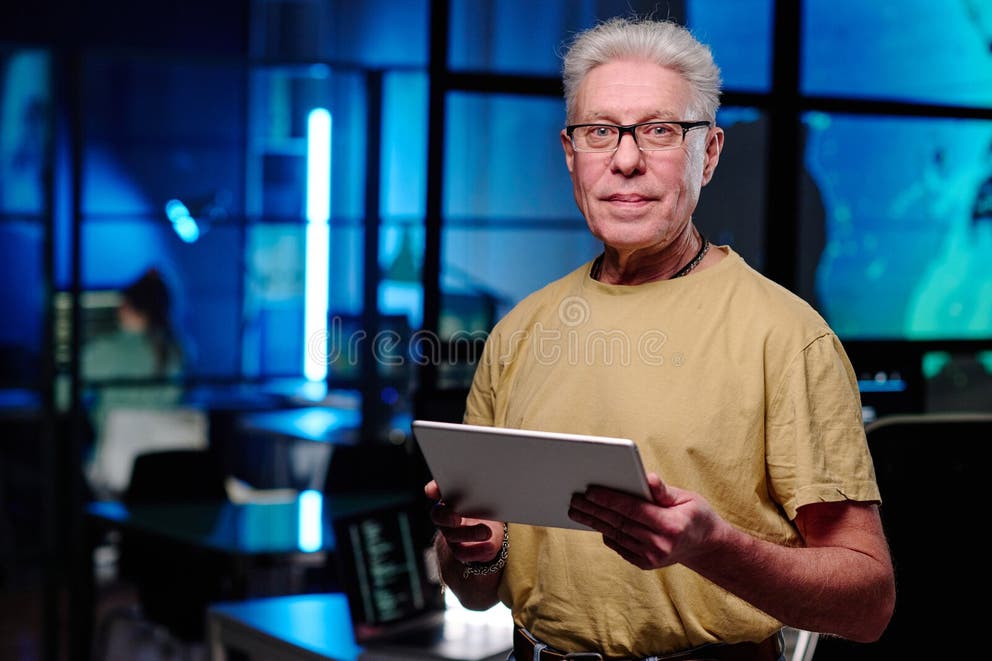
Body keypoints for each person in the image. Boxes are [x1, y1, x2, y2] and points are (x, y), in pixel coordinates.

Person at [425, 16, 895, 661]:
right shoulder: (519, 332)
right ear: (571, 154)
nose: (625, 160)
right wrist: (475, 549)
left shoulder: (788, 338)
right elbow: (475, 591)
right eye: (600, 132)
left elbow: (867, 606)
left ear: (710, 154)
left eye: (659, 131)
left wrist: (712, 548)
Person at [82, 267, 186, 494]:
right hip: (168, 469)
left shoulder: (106, 351)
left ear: (127, 306)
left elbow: (60, 396)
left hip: (114, 468)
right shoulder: (179, 353)